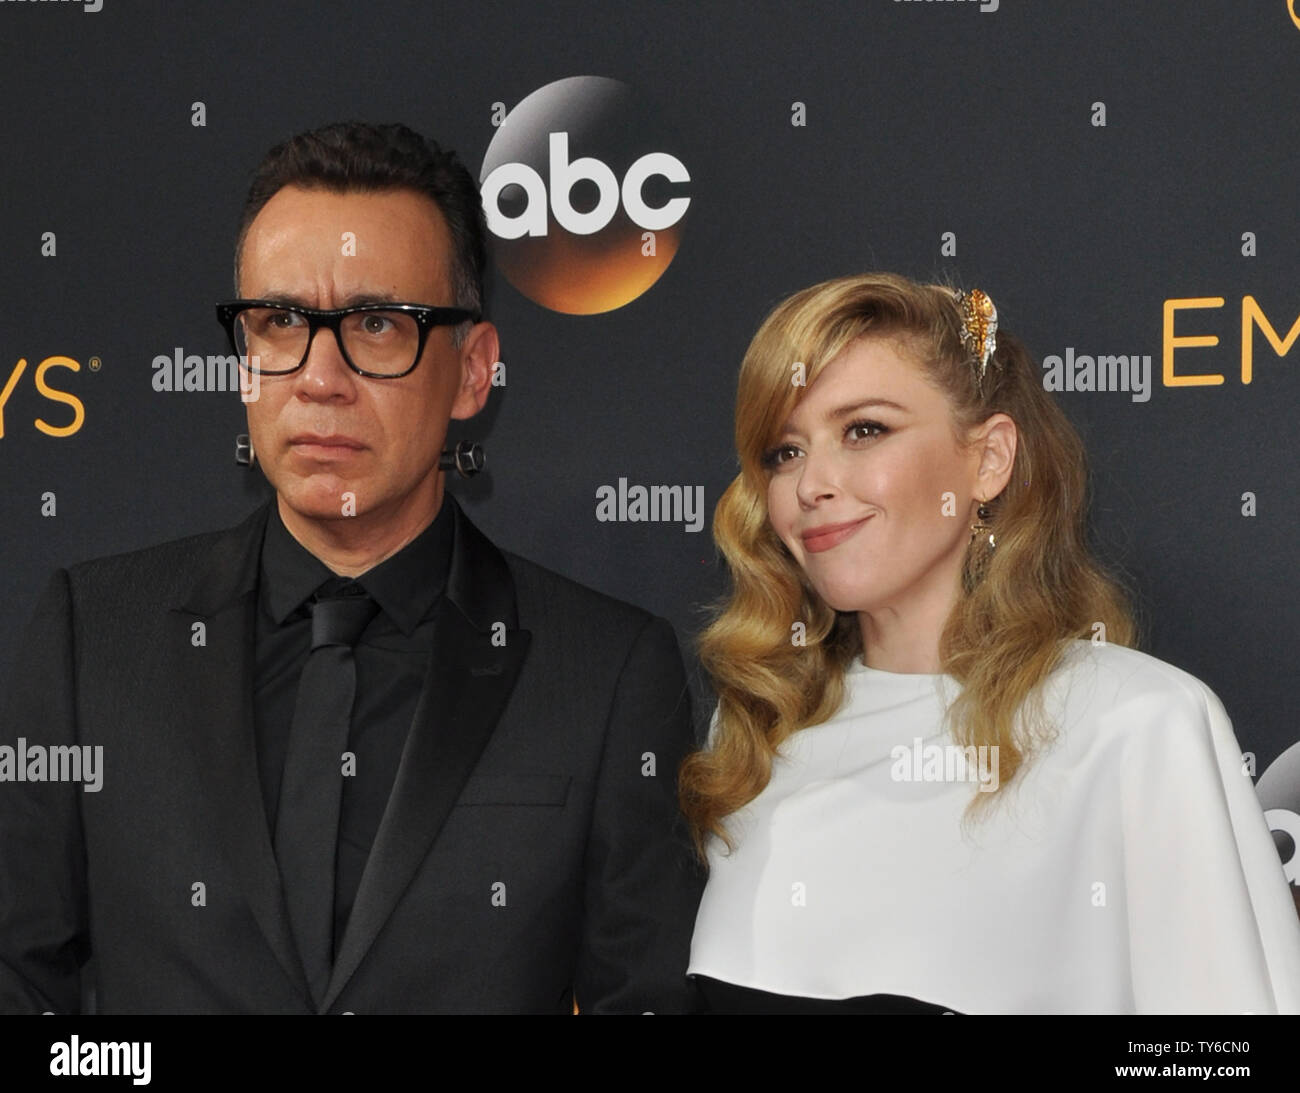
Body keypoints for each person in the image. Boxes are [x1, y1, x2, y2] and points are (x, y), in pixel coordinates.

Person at [0, 121, 702, 1014]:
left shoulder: (606, 672)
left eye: (377, 324)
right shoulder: (92, 636)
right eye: (281, 321)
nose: (318, 377)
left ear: (473, 370)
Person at [680, 272, 1300, 1014]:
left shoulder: (1133, 722)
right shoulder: (759, 732)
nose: (812, 482)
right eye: (783, 451)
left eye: (864, 430)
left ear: (988, 459)